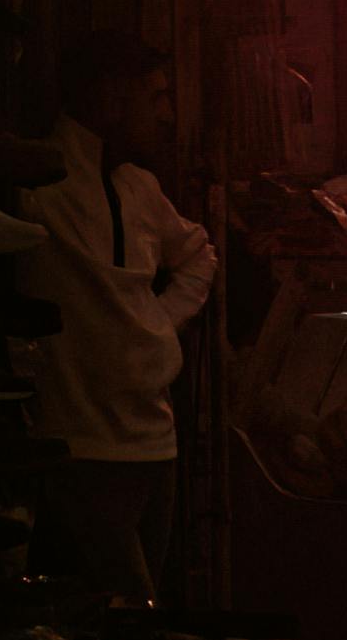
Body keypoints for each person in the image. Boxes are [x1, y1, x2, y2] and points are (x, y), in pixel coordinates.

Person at [21, 31, 218, 605]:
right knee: (123, 614)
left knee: (136, 609)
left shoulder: (140, 188)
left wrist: (161, 318)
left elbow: (198, 254)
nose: (167, 115)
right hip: (80, 444)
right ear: (111, 96)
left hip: (156, 441)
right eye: (154, 96)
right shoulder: (41, 187)